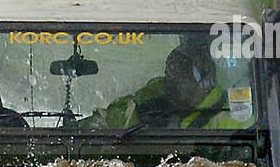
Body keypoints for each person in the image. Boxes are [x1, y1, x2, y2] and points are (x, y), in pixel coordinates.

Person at [88, 40, 245, 131]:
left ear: (205, 81)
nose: (172, 87)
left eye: (181, 80)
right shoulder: (155, 95)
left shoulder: (230, 116)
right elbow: (115, 115)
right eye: (170, 77)